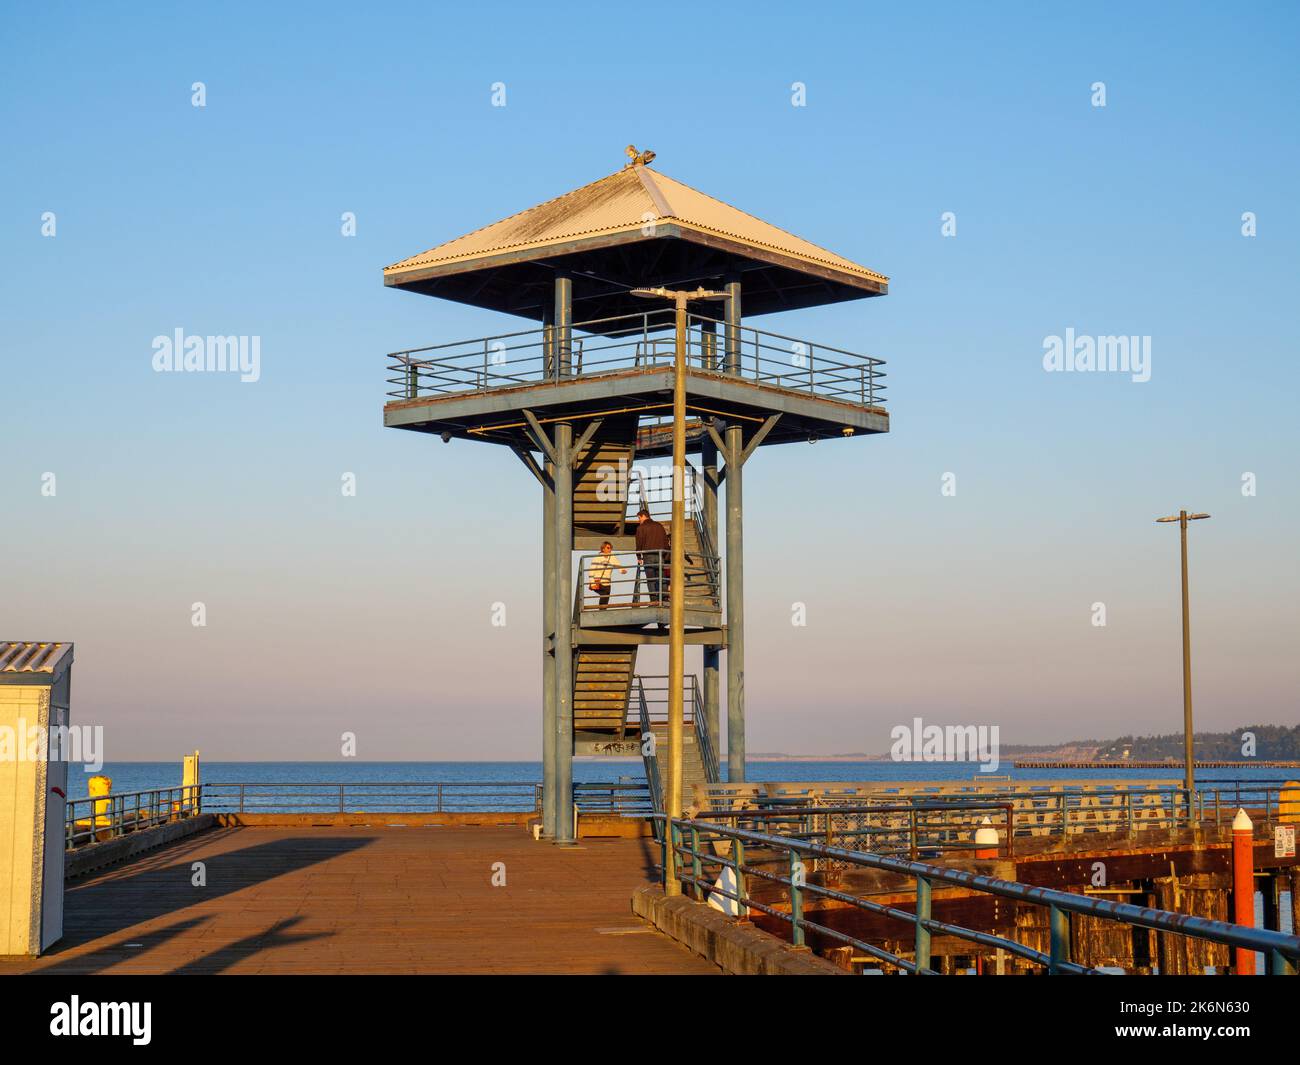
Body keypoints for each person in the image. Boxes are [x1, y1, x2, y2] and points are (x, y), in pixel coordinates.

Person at [634, 507, 669, 608]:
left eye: (639, 518)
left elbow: (639, 543)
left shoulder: (641, 528)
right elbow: (665, 541)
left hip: (648, 555)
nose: (638, 520)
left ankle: (654, 601)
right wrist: (665, 554)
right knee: (661, 577)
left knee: (651, 579)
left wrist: (638, 556)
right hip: (660, 555)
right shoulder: (659, 526)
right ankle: (665, 598)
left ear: (643, 516)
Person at [587, 541, 626, 608]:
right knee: (604, 595)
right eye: (608, 548)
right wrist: (592, 583)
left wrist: (622, 570)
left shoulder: (612, 557)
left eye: (610, 548)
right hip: (598, 581)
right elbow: (591, 571)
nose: (610, 549)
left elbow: (618, 565)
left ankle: (602, 612)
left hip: (607, 583)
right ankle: (601, 612)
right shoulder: (597, 558)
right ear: (603, 549)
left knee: (605, 600)